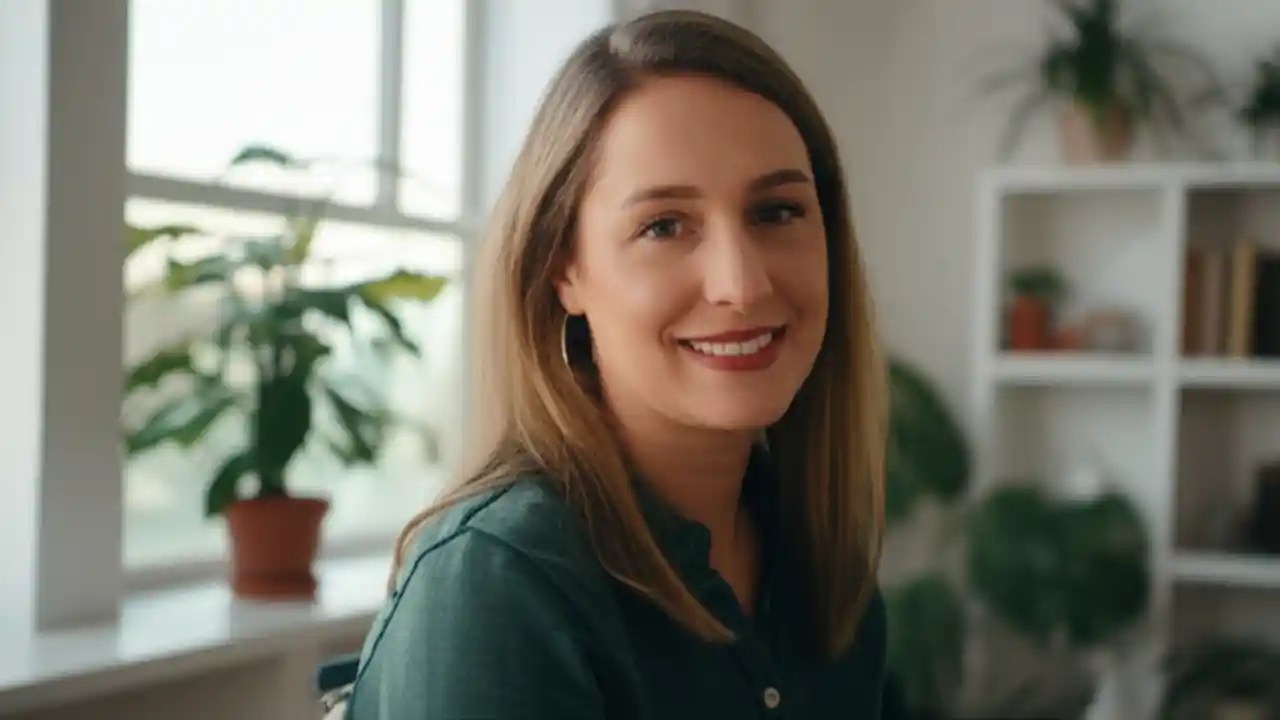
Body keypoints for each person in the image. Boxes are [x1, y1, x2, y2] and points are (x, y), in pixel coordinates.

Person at [346, 9, 888, 719]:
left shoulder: (827, 579)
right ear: (560, 269)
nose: (743, 283)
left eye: (777, 211)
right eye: (663, 226)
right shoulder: (500, 585)